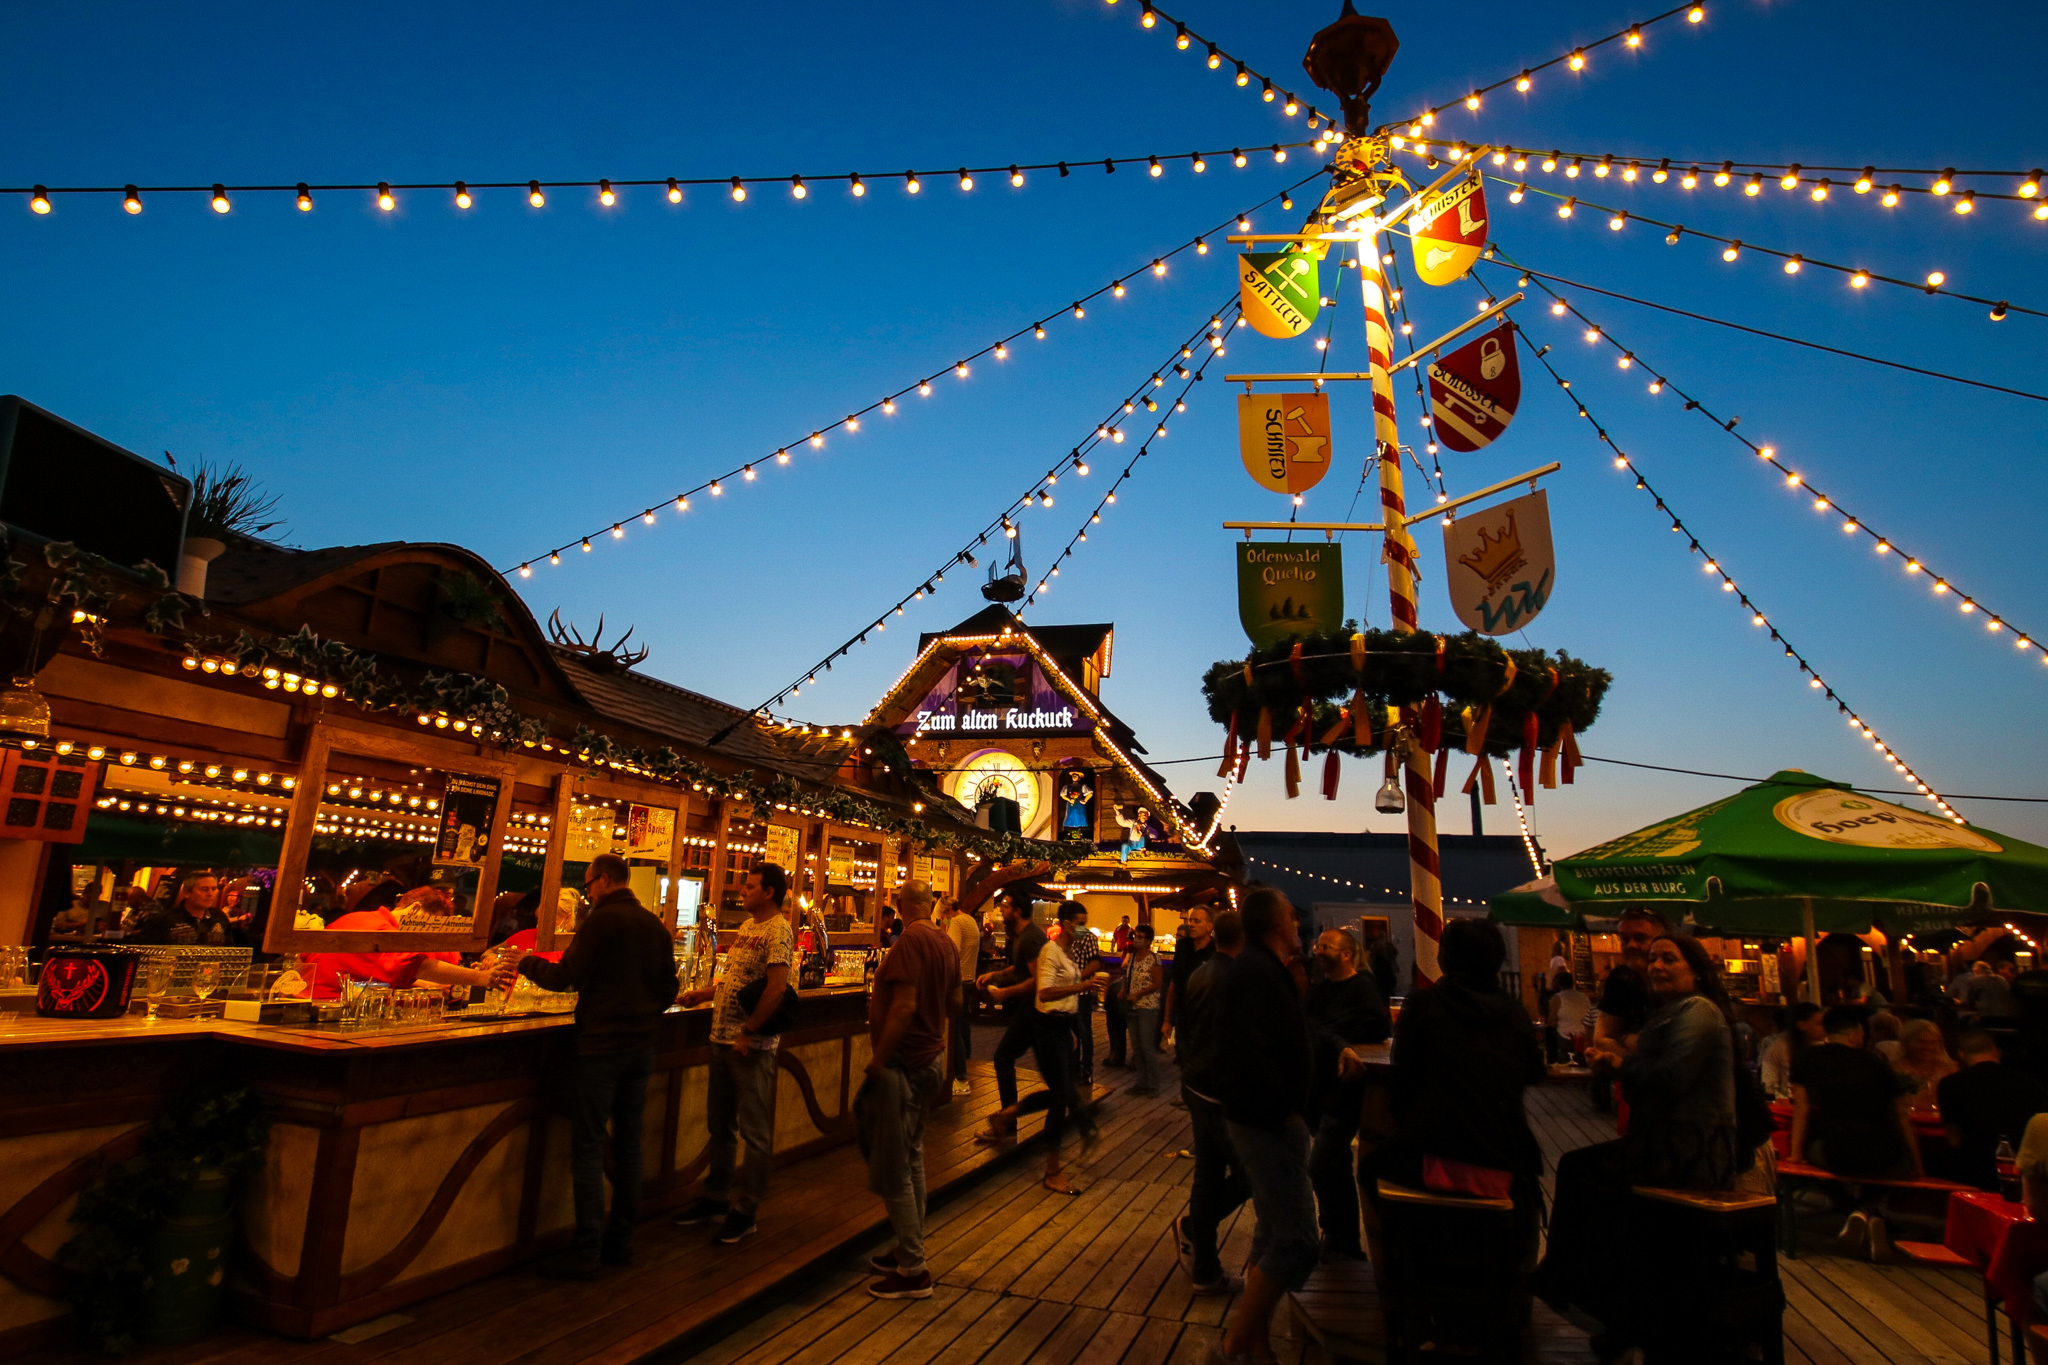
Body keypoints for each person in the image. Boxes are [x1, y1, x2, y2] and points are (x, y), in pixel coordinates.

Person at [512, 853, 678, 1277]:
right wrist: (643, 1017)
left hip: (600, 1049)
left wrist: (523, 962)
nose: (587, 892)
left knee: (587, 1146)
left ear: (603, 881)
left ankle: (587, 1248)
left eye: (588, 885)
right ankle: (621, 1241)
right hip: (640, 1048)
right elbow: (669, 988)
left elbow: (562, 977)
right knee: (629, 1144)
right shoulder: (654, 926)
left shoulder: (600, 923)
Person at [1365, 920, 1543, 1265]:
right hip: (1502, 1159)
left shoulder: (1425, 1005)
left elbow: (1403, 1080)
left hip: (1433, 1156)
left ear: (1446, 958)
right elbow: (1535, 1072)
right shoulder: (1514, 1013)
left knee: (1370, 1168)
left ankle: (1408, 1266)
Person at [1207, 889, 1317, 1365]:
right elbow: (1252, 1053)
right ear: (1276, 923)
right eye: (1292, 916)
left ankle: (1257, 1343)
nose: (1297, 924)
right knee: (1297, 1239)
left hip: (1261, 1117)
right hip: (1265, 1122)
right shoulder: (1256, 973)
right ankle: (1233, 1348)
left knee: (1272, 1231)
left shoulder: (1259, 970)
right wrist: (1285, 1109)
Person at [673, 861, 794, 1245]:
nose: (742, 891)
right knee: (720, 1125)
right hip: (721, 1037)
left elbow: (776, 988)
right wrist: (705, 994)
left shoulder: (779, 931)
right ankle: (715, 1198)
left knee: (754, 1132)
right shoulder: (746, 928)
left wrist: (749, 1031)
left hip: (749, 1046)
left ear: (769, 892)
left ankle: (747, 1209)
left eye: (750, 886)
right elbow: (736, 979)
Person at [857, 880, 961, 1300]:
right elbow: (955, 1003)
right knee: (914, 1155)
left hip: (905, 1063)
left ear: (901, 906)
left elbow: (903, 1006)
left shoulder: (910, 943)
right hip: (931, 1058)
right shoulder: (944, 942)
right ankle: (907, 1247)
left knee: (895, 1165)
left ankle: (914, 1269)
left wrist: (879, 1059)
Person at [975, 900, 1103, 1192]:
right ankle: (1053, 1169)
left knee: (1063, 1093)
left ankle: (1007, 1115)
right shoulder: (1049, 952)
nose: (1083, 928)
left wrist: (1071, 1025)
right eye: (1080, 922)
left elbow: (1060, 996)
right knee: (1061, 1097)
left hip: (1060, 1027)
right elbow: (1044, 992)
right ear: (1067, 923)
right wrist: (1081, 987)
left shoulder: (1066, 954)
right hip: (1046, 1028)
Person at [1790, 1006, 1922, 1259]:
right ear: (1855, 1034)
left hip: (1837, 1150)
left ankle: (1857, 1213)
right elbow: (1902, 1119)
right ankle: (1865, 1212)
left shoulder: (1806, 1058)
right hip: (1886, 1152)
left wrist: (1796, 1154)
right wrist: (1917, 1165)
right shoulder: (1878, 1064)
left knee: (1815, 1157)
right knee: (1899, 1168)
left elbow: (1802, 1109)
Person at [1172, 908, 1249, 1296]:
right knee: (1250, 1173)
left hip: (1197, 1081)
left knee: (1208, 1171)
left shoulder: (1201, 973)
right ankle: (1197, 1230)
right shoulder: (1238, 979)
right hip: (1221, 1090)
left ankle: (1205, 1268)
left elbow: (1188, 1021)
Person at [1306, 927, 1390, 1260]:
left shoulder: (1362, 988)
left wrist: (1337, 1041)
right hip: (1322, 1088)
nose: (1318, 950)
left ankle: (1338, 1231)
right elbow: (1310, 1026)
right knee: (1336, 1165)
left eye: (1326, 946)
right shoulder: (1320, 991)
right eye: (1318, 945)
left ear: (1345, 954)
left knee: (1321, 1162)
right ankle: (1343, 1239)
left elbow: (1375, 1027)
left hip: (1347, 1091)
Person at [304, 887, 505, 999]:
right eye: (430, 923)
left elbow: (380, 973)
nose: (429, 933)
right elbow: (421, 966)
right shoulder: (384, 931)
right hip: (328, 1009)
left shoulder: (358, 918)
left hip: (307, 1001)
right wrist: (482, 978)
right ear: (415, 910)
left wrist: (432, 987)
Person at [973, 893, 1046, 1143]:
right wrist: (996, 976)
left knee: (1003, 1058)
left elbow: (1038, 980)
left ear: (1018, 910)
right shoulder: (1023, 936)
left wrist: (1005, 992)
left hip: (1034, 1010)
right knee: (1053, 1073)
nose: (1001, 910)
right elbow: (1021, 969)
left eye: (1005, 905)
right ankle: (1009, 1120)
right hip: (1034, 1010)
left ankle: (1007, 1122)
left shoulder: (1030, 938)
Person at [1938, 1030, 2048, 1189]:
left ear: (1961, 1055)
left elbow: (1954, 1139)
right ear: (1996, 1052)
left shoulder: (1950, 1084)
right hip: (2024, 1168)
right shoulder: (2030, 1083)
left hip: (1974, 1169)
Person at [1583, 907, 1668, 1108]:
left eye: (1640, 938)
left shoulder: (1677, 981)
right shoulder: (1620, 979)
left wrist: (1625, 1040)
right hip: (1640, 1094)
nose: (1630, 945)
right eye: (1624, 939)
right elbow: (1601, 1040)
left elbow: (1673, 1050)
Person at [1161, 905, 1215, 1062]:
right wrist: (1167, 1020)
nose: (1191, 924)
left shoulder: (1215, 951)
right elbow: (1174, 984)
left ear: (1209, 926)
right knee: (1184, 1061)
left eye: (1197, 921)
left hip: (1205, 1020)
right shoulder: (1183, 946)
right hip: (1183, 1017)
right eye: (1191, 920)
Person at [940, 896, 981, 1096]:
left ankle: (961, 1075)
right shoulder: (970, 920)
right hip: (970, 978)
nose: (942, 918)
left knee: (954, 1028)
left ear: (948, 910)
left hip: (958, 980)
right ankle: (967, 1064)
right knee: (964, 1026)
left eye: (943, 913)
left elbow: (952, 949)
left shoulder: (956, 922)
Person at [131, 871, 240, 946]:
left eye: (214, 889)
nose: (210, 894)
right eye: (204, 889)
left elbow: (229, 949)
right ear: (186, 893)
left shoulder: (219, 917)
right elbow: (145, 951)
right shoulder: (166, 919)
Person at [1121, 923, 1165, 1097]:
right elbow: (1128, 976)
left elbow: (1158, 983)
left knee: (1147, 1047)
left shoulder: (1154, 959)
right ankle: (1141, 1082)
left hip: (1147, 1006)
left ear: (1148, 941)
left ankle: (1153, 1085)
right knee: (1137, 1047)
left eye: (1140, 937)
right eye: (1135, 936)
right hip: (1132, 1005)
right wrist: (1124, 990)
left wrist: (1139, 993)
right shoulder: (1131, 957)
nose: (1136, 940)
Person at [1063, 902, 1101, 1085]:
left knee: (1084, 1030)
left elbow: (1094, 962)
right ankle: (1072, 1067)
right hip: (1067, 992)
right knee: (1070, 1030)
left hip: (1083, 993)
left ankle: (1086, 1068)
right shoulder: (1064, 940)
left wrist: (1077, 977)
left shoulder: (1089, 938)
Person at [1889, 1017, 1958, 1111]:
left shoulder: (1950, 1068)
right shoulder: (1895, 1069)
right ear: (1907, 1042)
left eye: (1932, 1042)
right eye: (1920, 1042)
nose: (1927, 1047)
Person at [1759, 1003, 1826, 1100]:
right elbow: (1768, 1086)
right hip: (1789, 1106)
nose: (1824, 1028)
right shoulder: (1778, 1048)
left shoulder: (1823, 1046)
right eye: (1819, 1023)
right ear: (1802, 1025)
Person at [1545, 968, 1592, 1063]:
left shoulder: (1557, 998)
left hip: (1565, 1038)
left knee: (1549, 1033)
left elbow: (1551, 1022)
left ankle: (1553, 1062)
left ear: (1558, 984)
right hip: (1584, 1038)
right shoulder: (1584, 997)